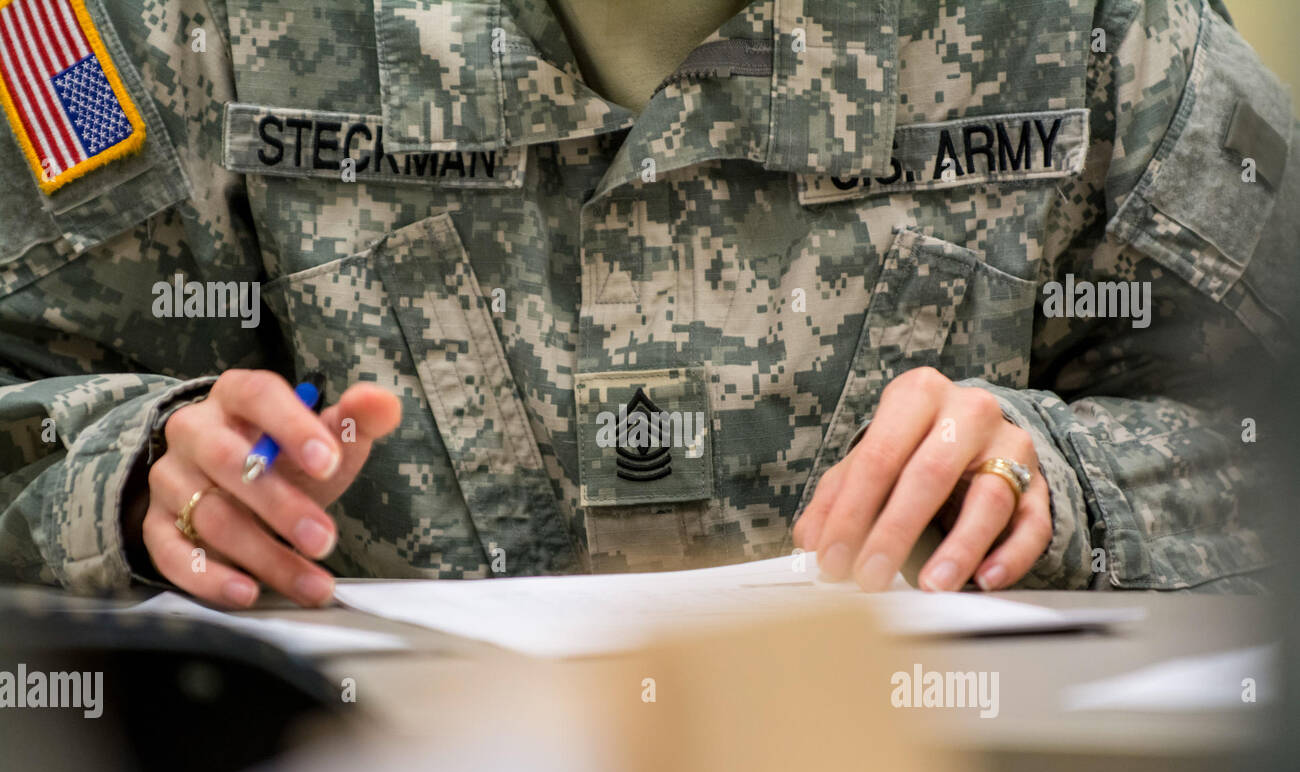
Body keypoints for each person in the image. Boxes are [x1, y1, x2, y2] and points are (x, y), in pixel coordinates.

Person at [0, 0, 1292, 607]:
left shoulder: (1101, 26)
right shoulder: (160, 25)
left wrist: (1063, 482)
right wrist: (133, 481)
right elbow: (29, 389)